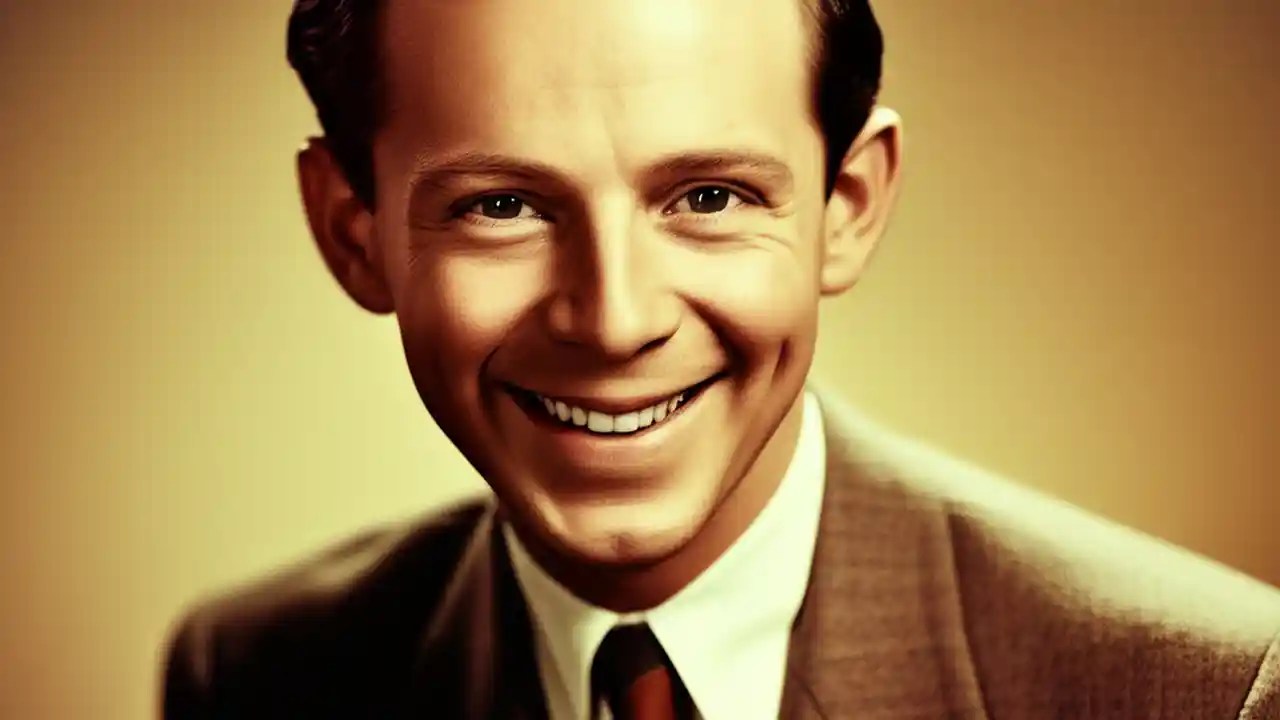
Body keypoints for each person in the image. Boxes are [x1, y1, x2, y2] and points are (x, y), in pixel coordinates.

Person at [162, 0, 1280, 718]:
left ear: (846, 206)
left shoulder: (1202, 690)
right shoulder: (254, 679)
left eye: (708, 196)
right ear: (352, 232)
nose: (612, 319)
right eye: (500, 205)